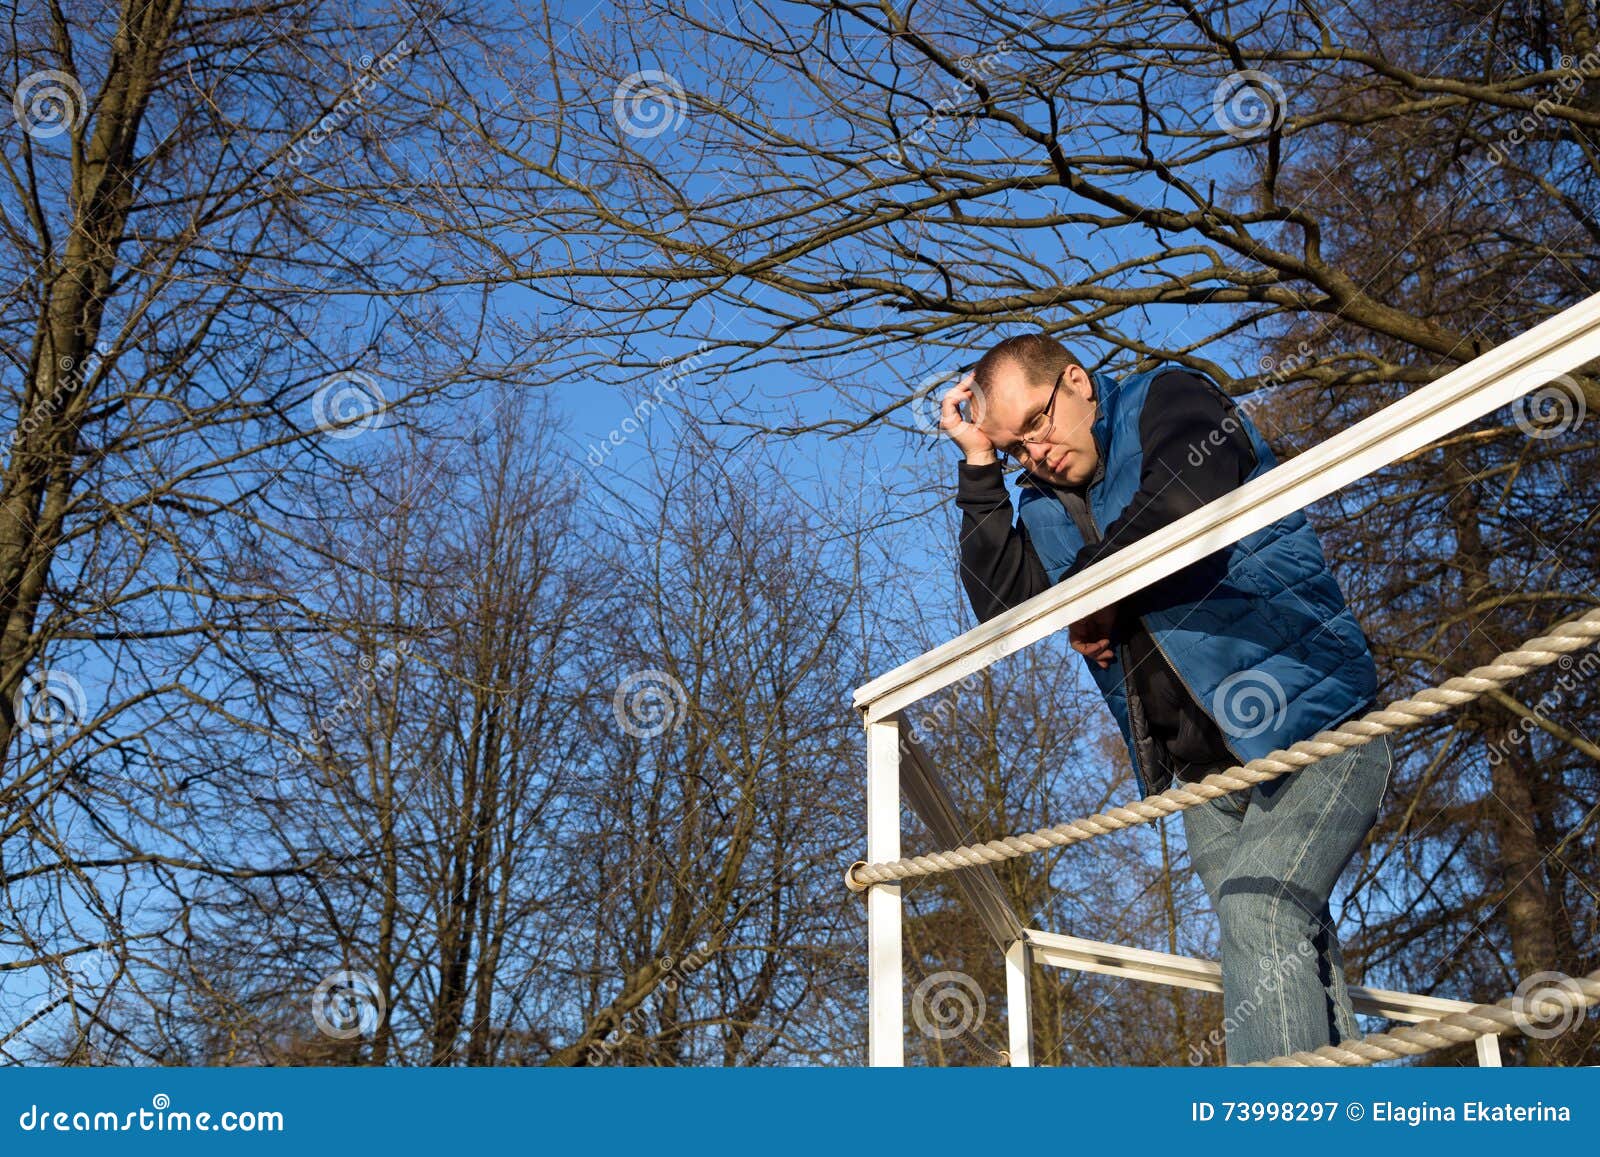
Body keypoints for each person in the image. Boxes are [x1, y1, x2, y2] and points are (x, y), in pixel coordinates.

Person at [939, 332, 1391, 1065]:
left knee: (1260, 909)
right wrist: (978, 462)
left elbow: (1182, 498)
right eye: (1015, 446)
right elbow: (1002, 607)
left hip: (1317, 724)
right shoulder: (1045, 503)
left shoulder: (1170, 398)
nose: (1036, 453)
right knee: (1287, 943)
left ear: (1079, 383)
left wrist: (1096, 597)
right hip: (1206, 777)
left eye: (1035, 425)